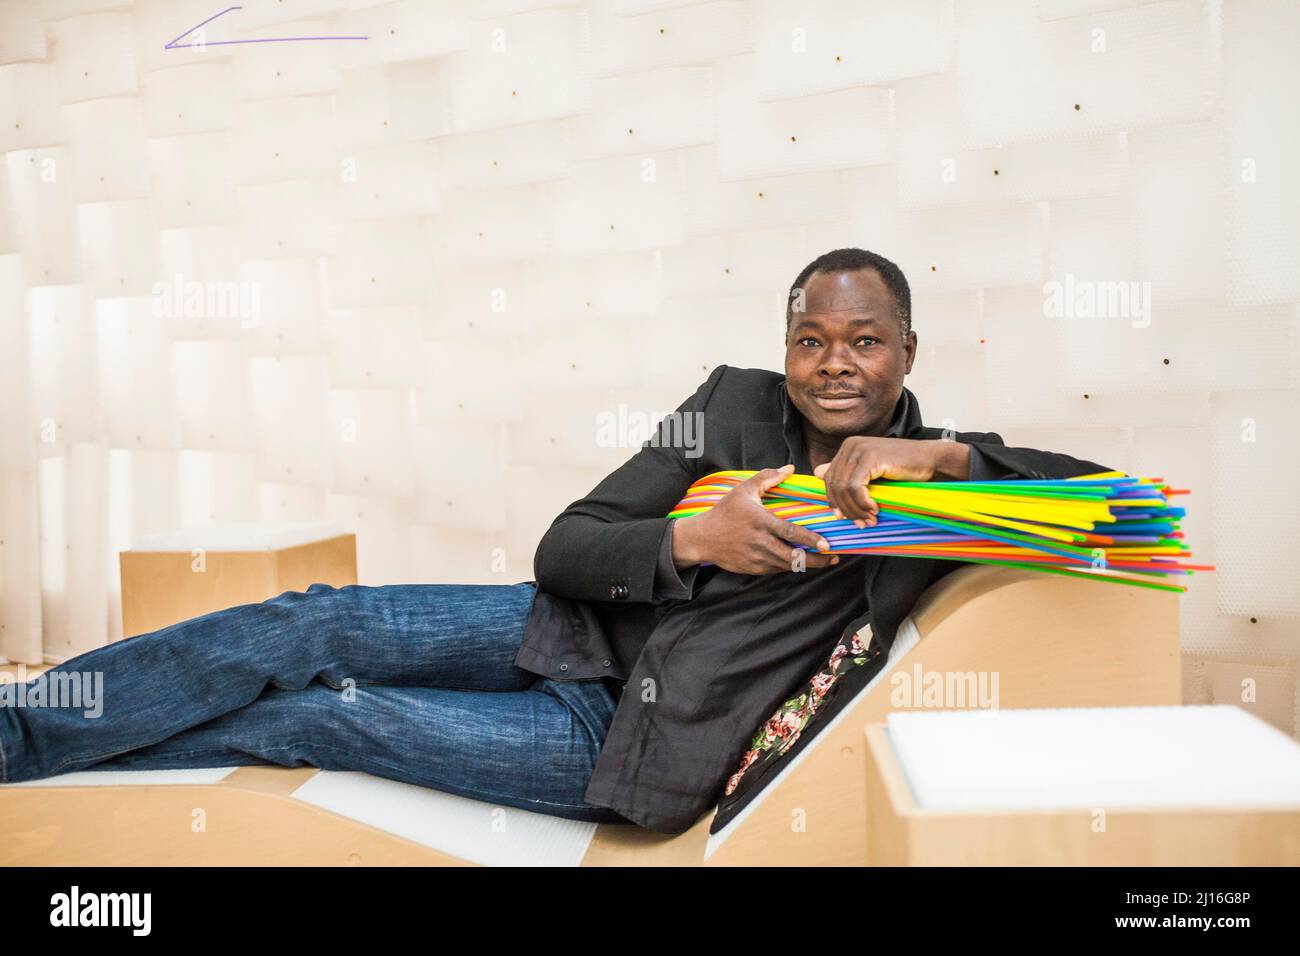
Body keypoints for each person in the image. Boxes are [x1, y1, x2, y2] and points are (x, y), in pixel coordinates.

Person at [0, 248, 1107, 834]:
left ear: (908, 350)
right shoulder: (726, 404)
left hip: (626, 745)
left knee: (313, 716)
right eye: (810, 338)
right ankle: (20, 735)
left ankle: (68, 768)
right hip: (566, 632)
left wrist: (952, 459)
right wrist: (692, 537)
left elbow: (1123, 506)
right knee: (316, 615)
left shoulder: (955, 488)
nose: (833, 364)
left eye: (864, 341)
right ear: (783, 345)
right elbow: (565, 541)